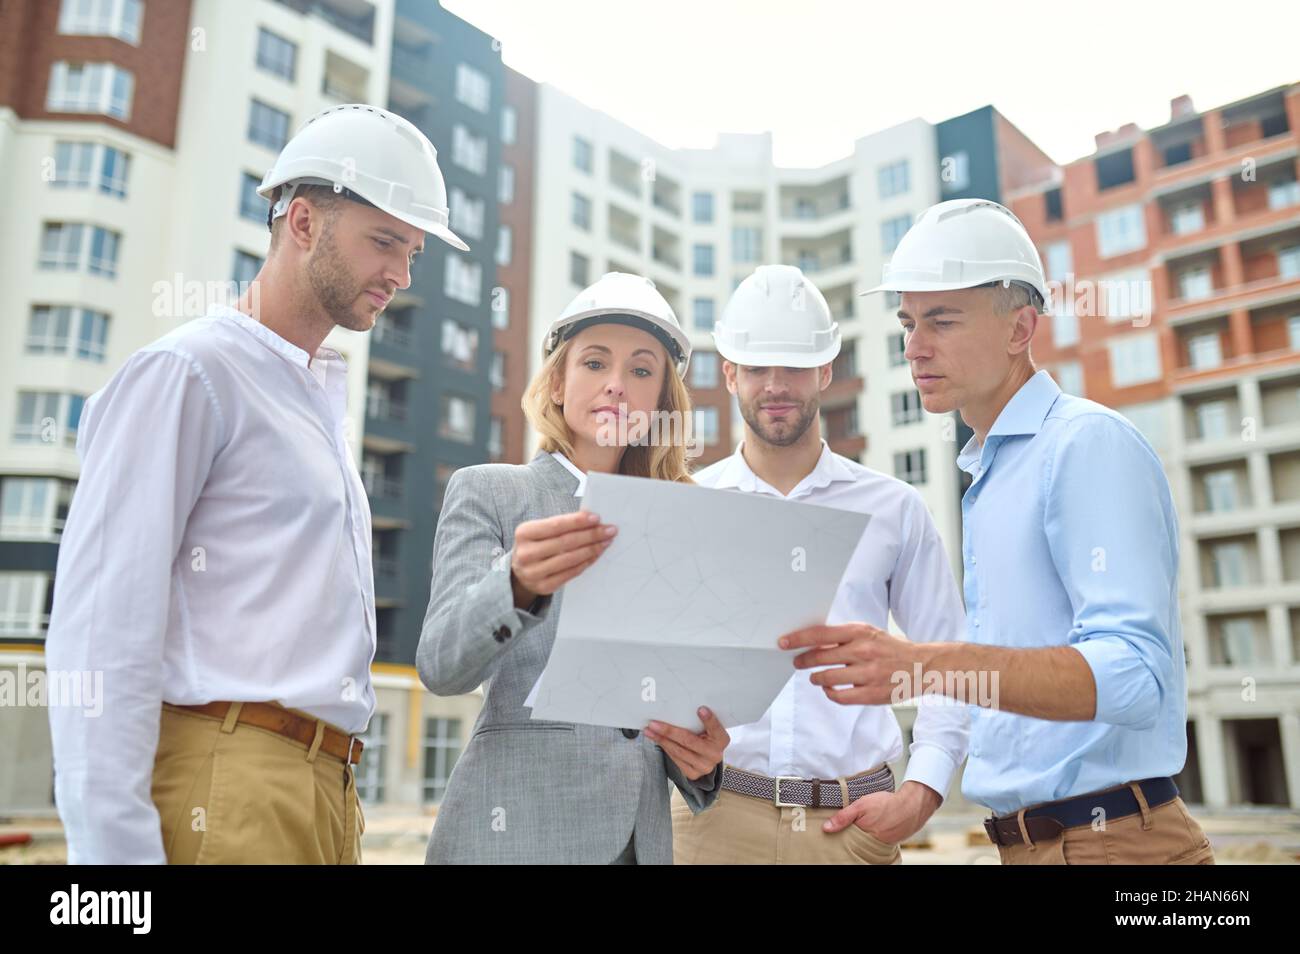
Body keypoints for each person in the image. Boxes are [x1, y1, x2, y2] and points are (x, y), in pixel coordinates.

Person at [45, 104, 467, 864]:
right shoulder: (191, 373)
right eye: (384, 243)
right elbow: (100, 632)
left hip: (324, 793)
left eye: (413, 253)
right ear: (302, 222)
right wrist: (114, 867)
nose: (401, 276)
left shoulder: (310, 398)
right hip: (228, 782)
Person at [781, 199, 1213, 865]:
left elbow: (1135, 677)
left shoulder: (1084, 444)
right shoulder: (990, 475)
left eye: (942, 321)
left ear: (1021, 329)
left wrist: (922, 666)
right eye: (908, 322)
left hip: (1113, 846)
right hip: (1030, 844)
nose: (914, 346)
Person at [418, 272, 728, 864]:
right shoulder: (492, 493)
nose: (616, 386)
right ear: (558, 382)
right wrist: (516, 584)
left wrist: (700, 759)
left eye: (641, 371)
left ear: (661, 402)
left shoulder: (679, 526)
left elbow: (663, 705)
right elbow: (441, 664)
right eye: (593, 364)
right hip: (515, 838)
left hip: (640, 845)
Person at [670, 265, 969, 865]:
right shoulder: (687, 505)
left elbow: (951, 659)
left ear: (825, 371)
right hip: (709, 822)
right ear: (729, 374)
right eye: (756, 368)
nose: (775, 385)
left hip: (851, 827)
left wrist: (921, 792)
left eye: (794, 366)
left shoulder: (894, 510)